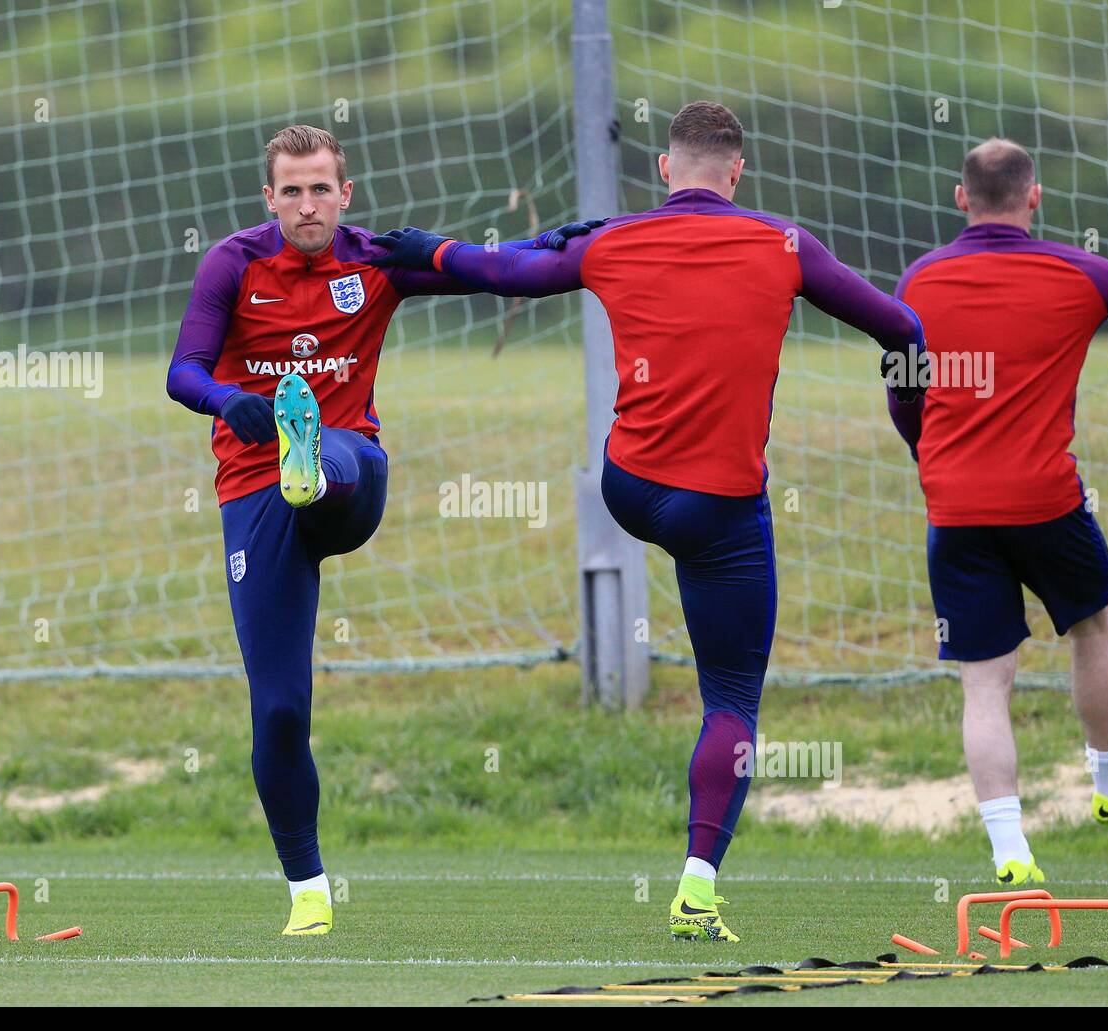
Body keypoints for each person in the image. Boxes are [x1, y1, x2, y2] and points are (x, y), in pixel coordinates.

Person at [371, 101, 923, 941]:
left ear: (665, 169)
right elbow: (904, 328)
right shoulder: (783, 243)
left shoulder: (613, 239)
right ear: (737, 172)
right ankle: (697, 885)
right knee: (731, 697)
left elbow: (506, 272)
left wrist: (429, 254)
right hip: (720, 504)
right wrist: (908, 413)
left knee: (663, 498)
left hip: (625, 486)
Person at [166, 124, 589, 935]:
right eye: (290, 190)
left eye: (321, 187)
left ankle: (314, 459)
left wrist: (573, 242)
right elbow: (183, 368)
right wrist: (229, 400)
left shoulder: (376, 259)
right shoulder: (232, 261)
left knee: (341, 455)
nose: (307, 203)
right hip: (254, 489)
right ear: (268, 198)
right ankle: (309, 893)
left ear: (345, 192)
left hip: (353, 473)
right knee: (281, 709)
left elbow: (503, 270)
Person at [887, 137, 1108, 884]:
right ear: (1034, 198)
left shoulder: (918, 279)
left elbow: (903, 395)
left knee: (984, 679)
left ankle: (1010, 851)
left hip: (955, 505)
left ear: (960, 198)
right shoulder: (1078, 273)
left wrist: (928, 454)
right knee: (1093, 622)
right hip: (1046, 500)